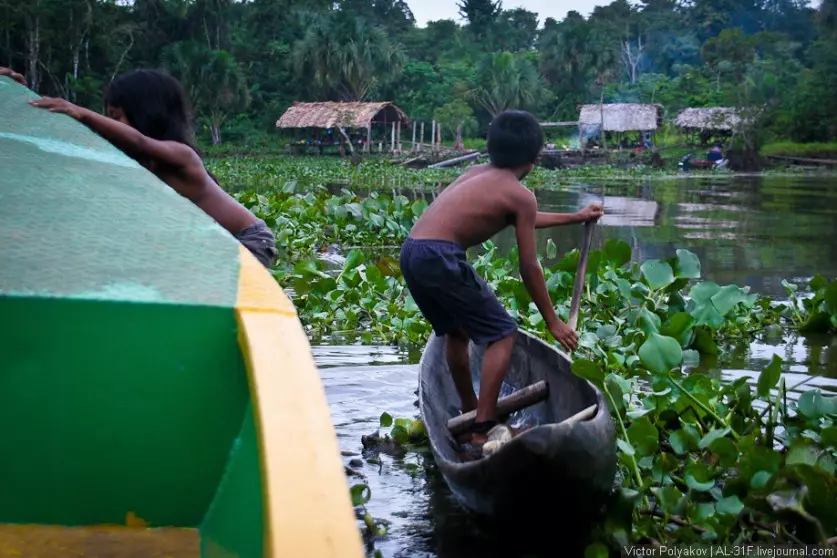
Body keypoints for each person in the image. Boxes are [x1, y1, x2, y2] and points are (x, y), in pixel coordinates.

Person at [400, 109, 604, 446]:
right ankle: (483, 426)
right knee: (503, 335)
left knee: (457, 332)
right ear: (534, 159)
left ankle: (469, 413)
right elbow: (529, 266)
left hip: (413, 251)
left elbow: (523, 218)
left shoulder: (475, 173)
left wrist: (577, 216)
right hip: (440, 256)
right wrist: (553, 321)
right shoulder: (520, 195)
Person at [1, 66, 278, 269]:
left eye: (116, 117)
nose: (113, 124)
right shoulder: (135, 162)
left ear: (146, 112)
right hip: (208, 242)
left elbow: (139, 141)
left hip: (248, 240)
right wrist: (23, 97)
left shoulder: (182, 156)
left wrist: (82, 111)